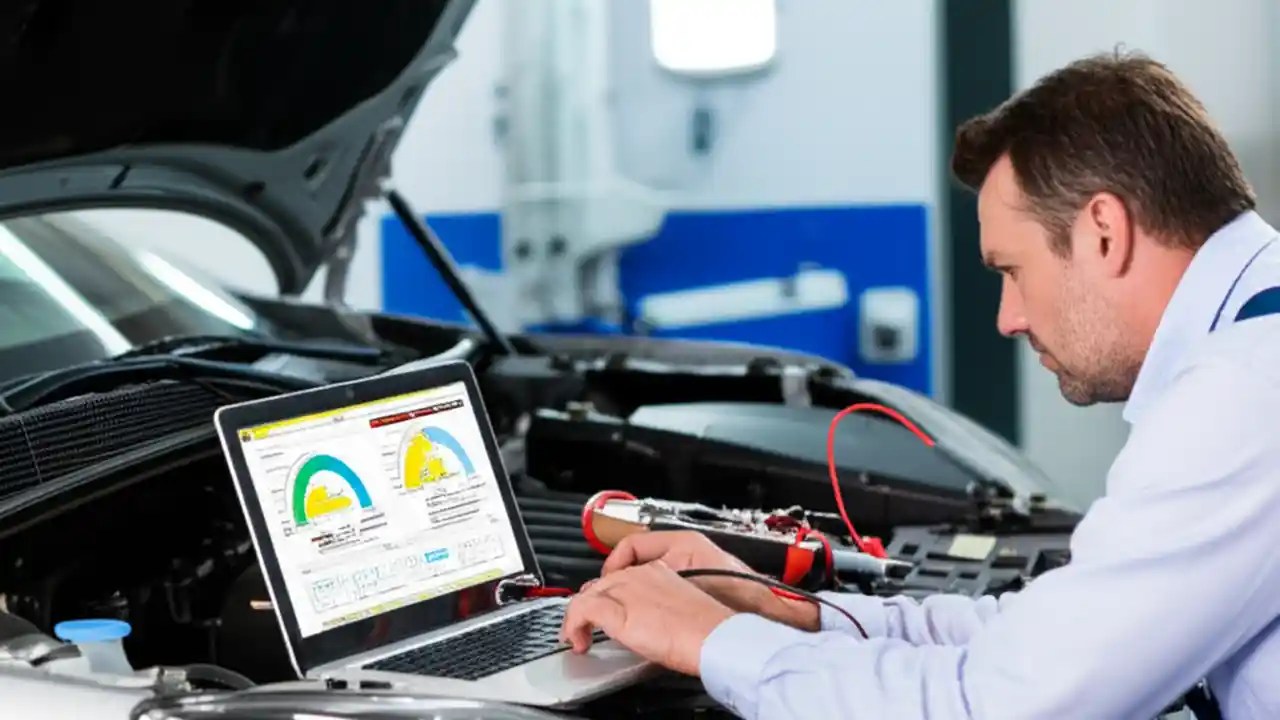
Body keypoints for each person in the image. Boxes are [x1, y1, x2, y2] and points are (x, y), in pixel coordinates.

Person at [559, 50, 1280, 719]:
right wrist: (792, 612)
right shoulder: (1249, 355)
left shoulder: (1242, 396)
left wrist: (709, 640)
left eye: (1012, 270)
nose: (1008, 317)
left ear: (1103, 232)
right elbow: (1043, 643)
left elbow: (997, 706)